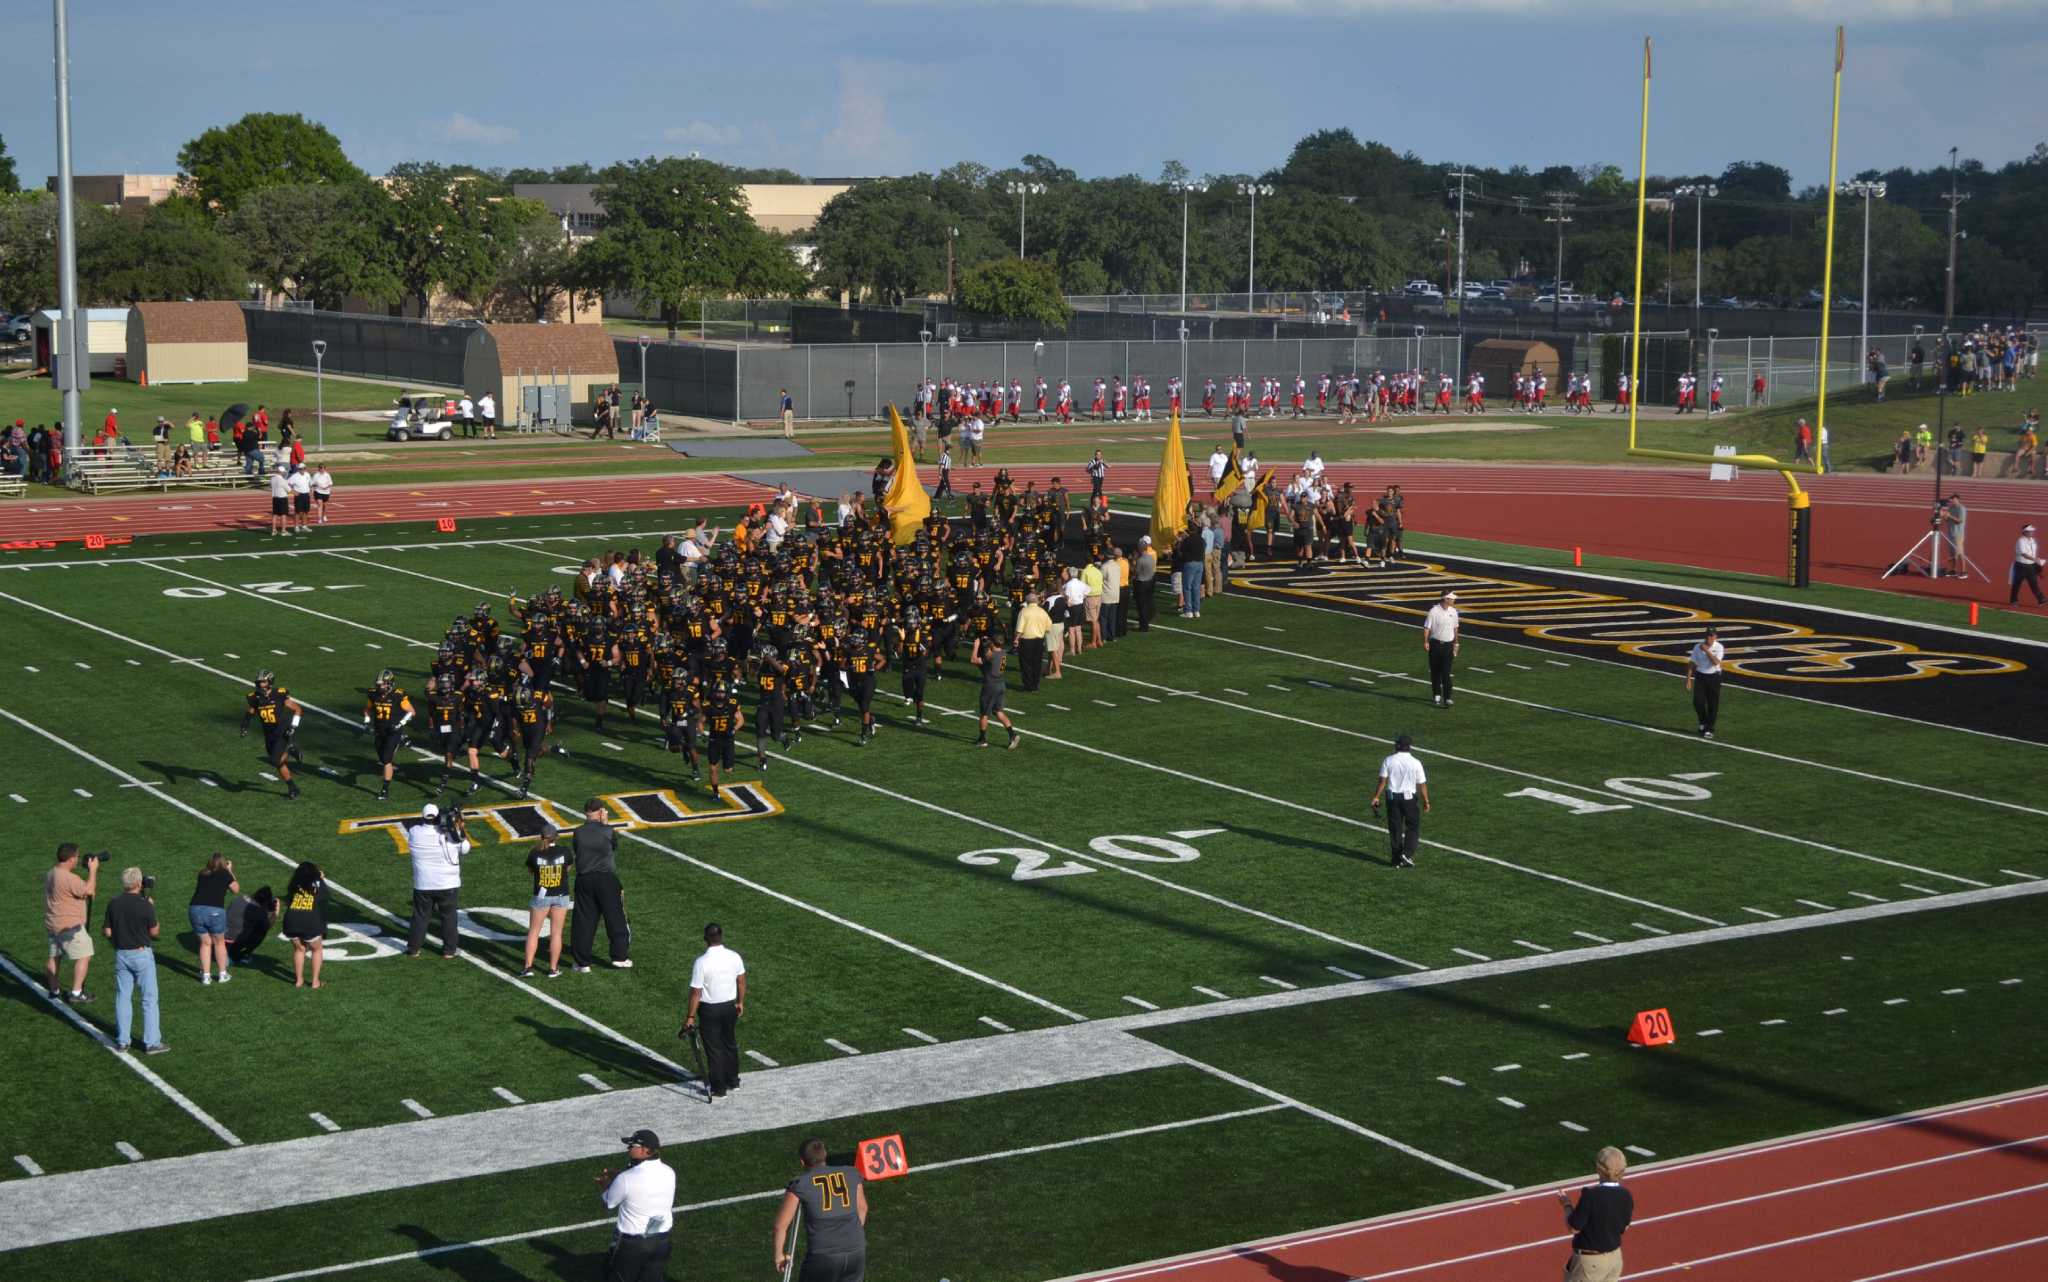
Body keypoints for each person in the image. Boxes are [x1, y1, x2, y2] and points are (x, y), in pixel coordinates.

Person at [773, 1138, 869, 1282]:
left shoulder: (801, 1184)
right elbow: (862, 1208)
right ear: (825, 1155)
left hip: (823, 1256)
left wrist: (779, 1256)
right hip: (856, 1250)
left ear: (802, 1162)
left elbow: (780, 1226)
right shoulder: (851, 1173)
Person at [597, 1129, 676, 1282]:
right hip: (661, 1241)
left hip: (632, 1245)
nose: (628, 1148)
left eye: (632, 1146)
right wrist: (619, 1177)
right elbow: (645, 1186)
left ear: (645, 1150)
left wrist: (607, 1184)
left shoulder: (625, 1179)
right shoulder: (669, 1172)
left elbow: (608, 1204)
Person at [681, 922, 747, 1100]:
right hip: (729, 1007)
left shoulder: (701, 962)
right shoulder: (734, 956)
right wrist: (740, 1002)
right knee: (729, 1044)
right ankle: (733, 1081)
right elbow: (741, 981)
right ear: (721, 936)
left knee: (714, 1049)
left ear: (705, 939)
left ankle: (719, 1088)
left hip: (710, 1009)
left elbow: (696, 992)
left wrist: (690, 1016)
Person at [104, 867, 166, 1053]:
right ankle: (152, 1042)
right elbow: (154, 932)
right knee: (149, 998)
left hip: (122, 954)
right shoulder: (145, 905)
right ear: (139, 883)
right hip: (141, 955)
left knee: (123, 997)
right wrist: (151, 908)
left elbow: (107, 932)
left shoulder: (113, 903)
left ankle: (123, 1040)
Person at [571, 798, 633, 971]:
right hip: (606, 879)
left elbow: (577, 850)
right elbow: (613, 846)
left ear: (586, 812)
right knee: (616, 917)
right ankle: (619, 957)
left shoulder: (578, 832)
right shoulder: (608, 831)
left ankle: (582, 962)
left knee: (584, 921)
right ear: (600, 812)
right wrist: (605, 823)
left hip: (584, 879)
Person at [1556, 1146, 1634, 1282]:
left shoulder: (1590, 1196)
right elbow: (1624, 1227)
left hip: (1590, 1263)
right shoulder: (1626, 1195)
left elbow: (1573, 1227)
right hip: (1614, 1259)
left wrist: (1566, 1204)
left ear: (1599, 1169)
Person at [402, 803, 470, 959]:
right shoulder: (450, 835)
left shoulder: (414, 832)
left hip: (423, 884)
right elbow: (465, 848)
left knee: (420, 917)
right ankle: (449, 951)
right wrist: (459, 827)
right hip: (448, 883)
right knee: (449, 917)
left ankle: (413, 949)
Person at [43, 843, 98, 1003]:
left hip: (53, 923)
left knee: (54, 956)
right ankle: (76, 992)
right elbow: (88, 891)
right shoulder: (69, 878)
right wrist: (93, 870)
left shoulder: (51, 873)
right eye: (77, 856)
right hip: (69, 926)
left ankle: (54, 990)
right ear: (71, 858)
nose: (78, 860)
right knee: (85, 954)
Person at [1368, 734, 1430, 869]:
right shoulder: (1416, 762)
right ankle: (1407, 854)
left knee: (1395, 828)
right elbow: (1422, 784)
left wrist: (1376, 796)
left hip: (1392, 798)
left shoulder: (1388, 760)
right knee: (1412, 826)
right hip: (1409, 799)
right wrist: (1426, 801)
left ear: (1397, 746)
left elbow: (1382, 781)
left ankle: (1396, 858)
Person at [523, 823, 572, 979]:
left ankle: (528, 967)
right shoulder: (565, 851)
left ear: (541, 837)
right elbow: (568, 868)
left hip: (541, 896)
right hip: (561, 895)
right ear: (556, 837)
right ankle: (553, 969)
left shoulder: (534, 853)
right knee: (556, 933)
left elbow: (530, 871)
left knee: (533, 932)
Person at [188, 853, 239, 985]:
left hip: (195, 909)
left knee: (205, 943)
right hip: (214, 910)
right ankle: (222, 974)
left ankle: (206, 977)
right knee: (219, 943)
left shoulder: (202, 873)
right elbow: (236, 889)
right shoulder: (225, 874)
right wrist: (230, 871)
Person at [280, 861, 330, 988]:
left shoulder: (294, 884)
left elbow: (289, 900)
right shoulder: (317, 883)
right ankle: (315, 982)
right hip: (309, 922)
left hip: (291, 920)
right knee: (316, 950)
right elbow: (325, 896)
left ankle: (299, 981)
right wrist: (321, 879)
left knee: (299, 949)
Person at [970, 632, 1020, 749]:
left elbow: (973, 660)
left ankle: (982, 739)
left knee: (984, 714)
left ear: (993, 643)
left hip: (990, 686)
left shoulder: (991, 656)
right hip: (1001, 684)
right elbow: (989, 656)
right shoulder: (1003, 653)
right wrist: (988, 645)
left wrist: (976, 646)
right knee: (998, 711)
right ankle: (1012, 734)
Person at [1686, 626, 1725, 739]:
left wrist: (1707, 651)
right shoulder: (1697, 647)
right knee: (1697, 701)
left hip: (1714, 677)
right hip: (1700, 676)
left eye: (1711, 635)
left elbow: (1715, 662)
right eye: (1708, 635)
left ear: (1715, 637)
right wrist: (1688, 679)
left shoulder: (1719, 647)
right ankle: (1703, 722)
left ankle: (1709, 729)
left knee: (1712, 704)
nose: (1709, 638)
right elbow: (1692, 663)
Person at [1423, 591, 1460, 707]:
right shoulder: (1434, 611)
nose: (1453, 600)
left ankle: (1448, 697)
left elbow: (1455, 628)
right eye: (1451, 599)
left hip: (1448, 646)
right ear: (1445, 599)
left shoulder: (1453, 611)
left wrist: (1456, 643)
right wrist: (1426, 641)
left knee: (1446, 672)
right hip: (1435, 644)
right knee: (1435, 672)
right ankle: (1437, 694)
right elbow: (1427, 627)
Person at [226, 886, 276, 966]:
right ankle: (242, 955)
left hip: (220, 936)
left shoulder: (240, 899)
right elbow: (267, 927)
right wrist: (274, 913)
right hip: (233, 942)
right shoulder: (259, 912)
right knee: (261, 932)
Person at [1013, 592, 1051, 692]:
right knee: (1037, 663)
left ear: (1027, 601)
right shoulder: (1042, 611)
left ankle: (1028, 685)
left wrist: (1016, 639)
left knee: (1026, 664)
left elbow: (1019, 628)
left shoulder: (1024, 611)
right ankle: (1035, 685)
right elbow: (1049, 626)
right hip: (1039, 640)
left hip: (1026, 640)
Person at [2013, 523, 2045, 607]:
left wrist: (2038, 567)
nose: (2032, 532)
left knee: (2034, 583)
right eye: (2031, 531)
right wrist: (2035, 560)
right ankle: (2014, 600)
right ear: (2025, 532)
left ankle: (2041, 600)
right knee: (2017, 584)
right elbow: (2024, 554)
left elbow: (2033, 553)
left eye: (2032, 531)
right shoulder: (2020, 541)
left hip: (2031, 566)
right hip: (2021, 566)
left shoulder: (2033, 540)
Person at [1132, 536, 1158, 631]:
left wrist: (1133, 561)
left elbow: (1136, 572)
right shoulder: (1151, 557)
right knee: (1148, 602)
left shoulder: (1140, 560)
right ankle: (1149, 618)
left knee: (1141, 605)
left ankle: (1143, 626)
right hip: (1150, 581)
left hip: (1141, 583)